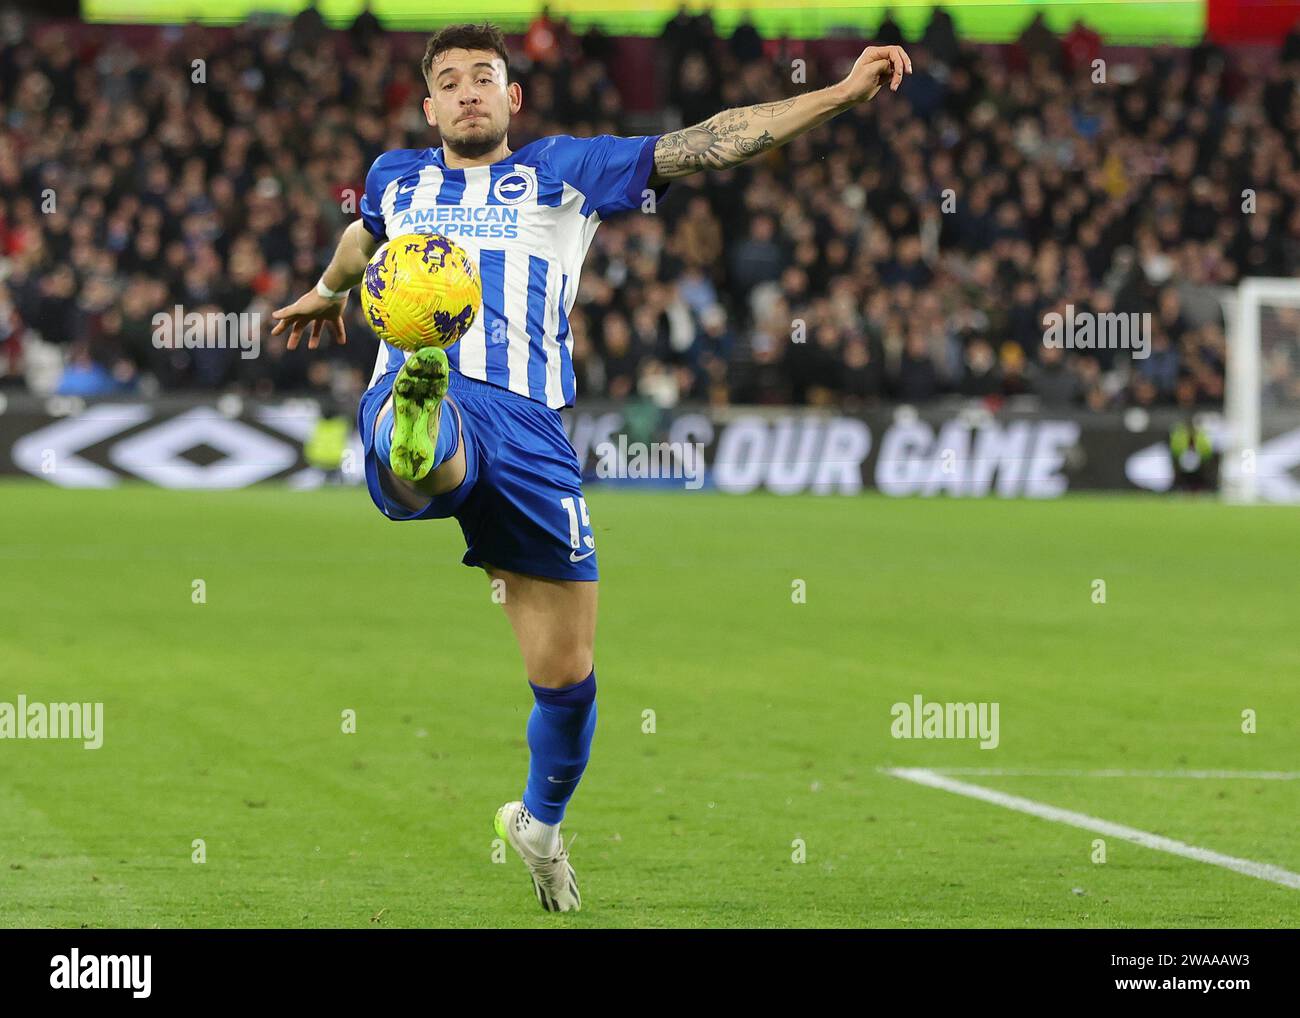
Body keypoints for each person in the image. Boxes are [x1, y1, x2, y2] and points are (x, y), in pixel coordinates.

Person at [270, 21, 910, 914]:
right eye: (447, 81)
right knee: (426, 443)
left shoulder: (564, 172)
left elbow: (708, 143)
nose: (465, 92)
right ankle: (419, 432)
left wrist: (838, 96)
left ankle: (537, 824)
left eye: (482, 78)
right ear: (426, 107)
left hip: (533, 428)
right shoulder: (396, 179)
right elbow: (359, 238)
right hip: (435, 388)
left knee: (566, 678)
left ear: (511, 99)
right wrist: (332, 290)